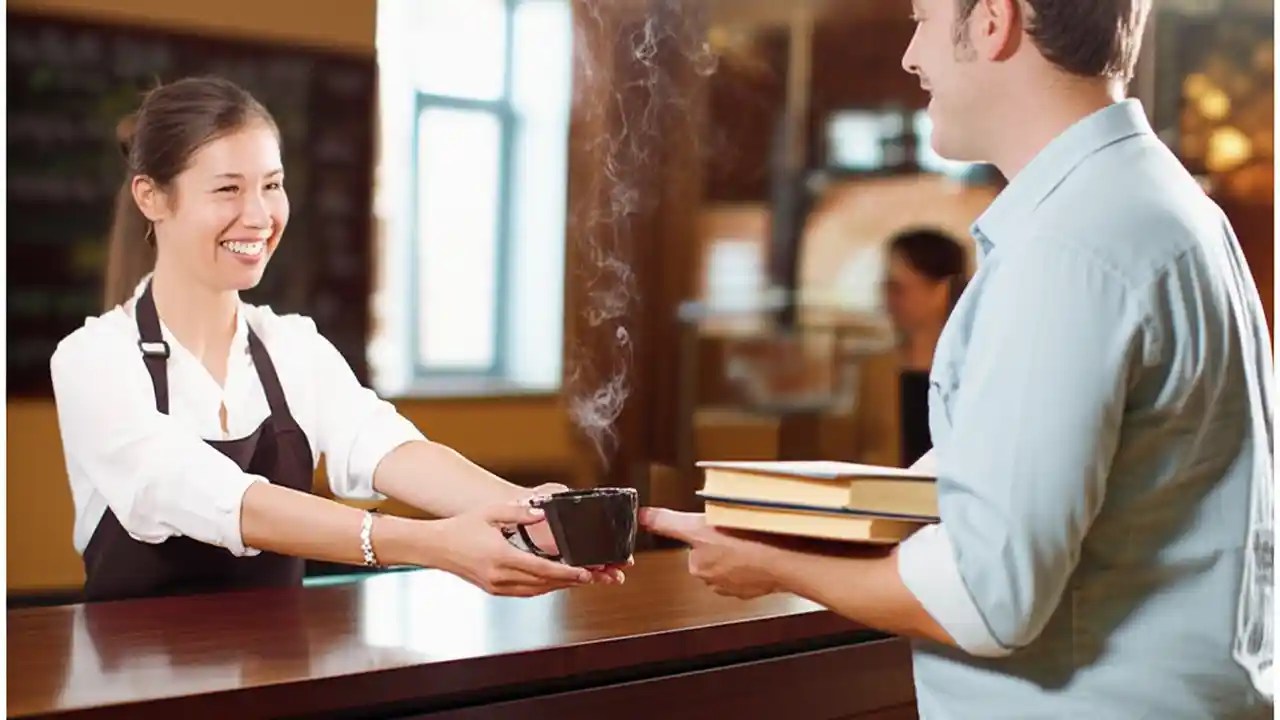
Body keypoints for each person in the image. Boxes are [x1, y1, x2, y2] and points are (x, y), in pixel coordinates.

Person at [643, 0, 1274, 717]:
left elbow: (984, 599)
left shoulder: (1068, 245)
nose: (911, 55)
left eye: (922, 19)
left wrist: (769, 566)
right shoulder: (1159, 204)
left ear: (994, 21)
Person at [51, 76, 624, 603]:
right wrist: (433, 545)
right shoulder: (93, 360)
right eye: (227, 189)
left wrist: (524, 509)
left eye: (271, 185)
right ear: (152, 198)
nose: (258, 215)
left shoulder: (292, 346)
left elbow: (386, 446)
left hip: (274, 678)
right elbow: (214, 496)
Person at [859, 228, 969, 467]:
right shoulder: (873, 371)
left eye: (898, 289)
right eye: (885, 288)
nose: (887, 300)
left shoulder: (970, 372)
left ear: (941, 291)